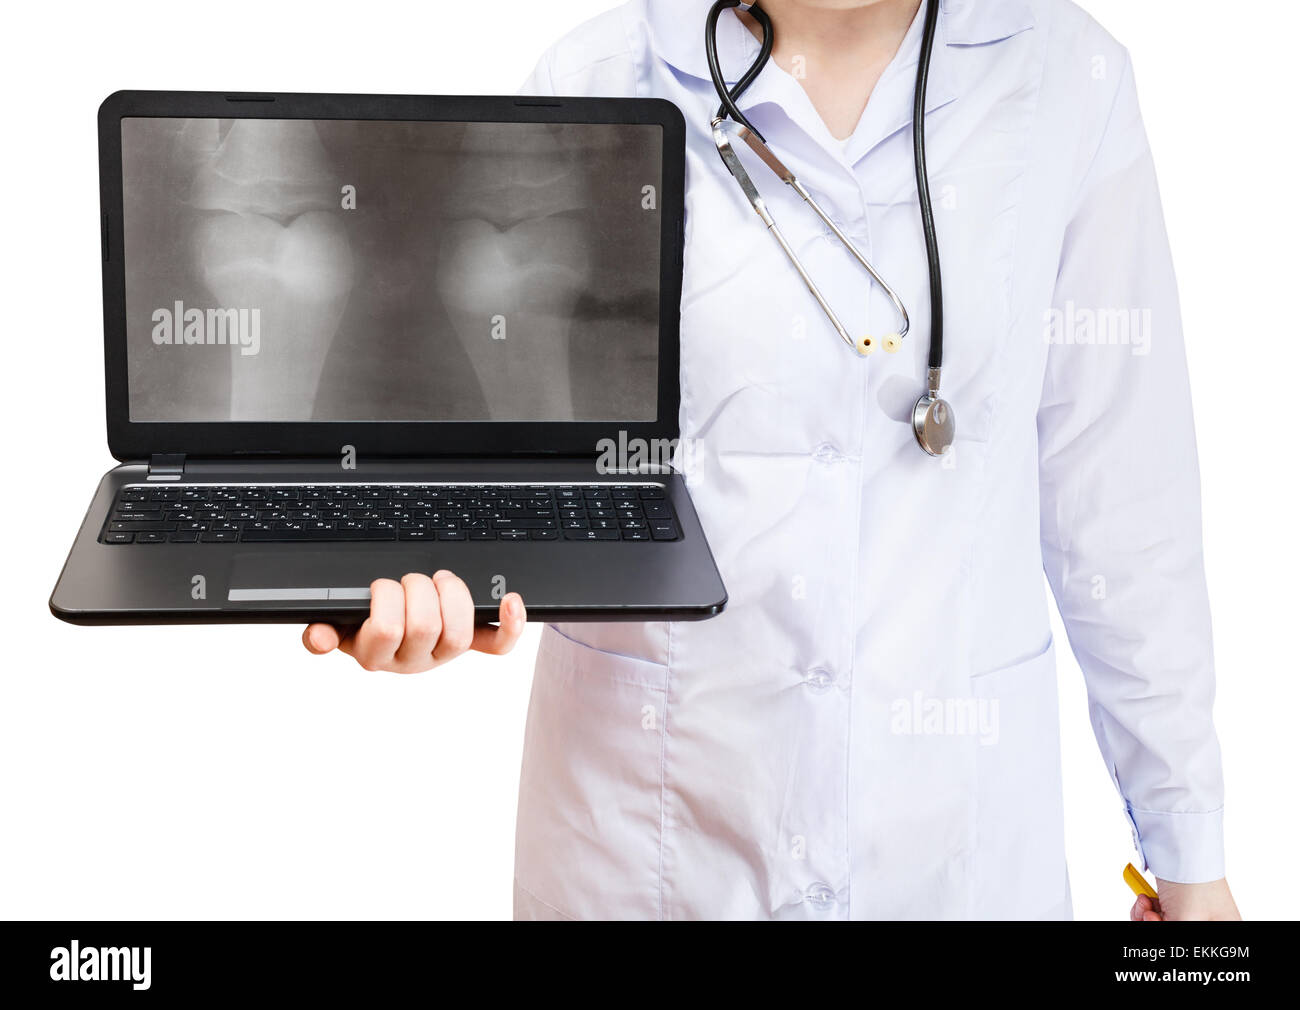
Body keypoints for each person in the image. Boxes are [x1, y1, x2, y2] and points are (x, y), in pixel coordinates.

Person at [301, 0, 1240, 921]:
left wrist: (1189, 856)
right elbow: (490, 448)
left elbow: (1122, 511)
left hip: (957, 856)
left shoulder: (1065, 78)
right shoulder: (597, 78)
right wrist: (427, 586)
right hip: (647, 848)